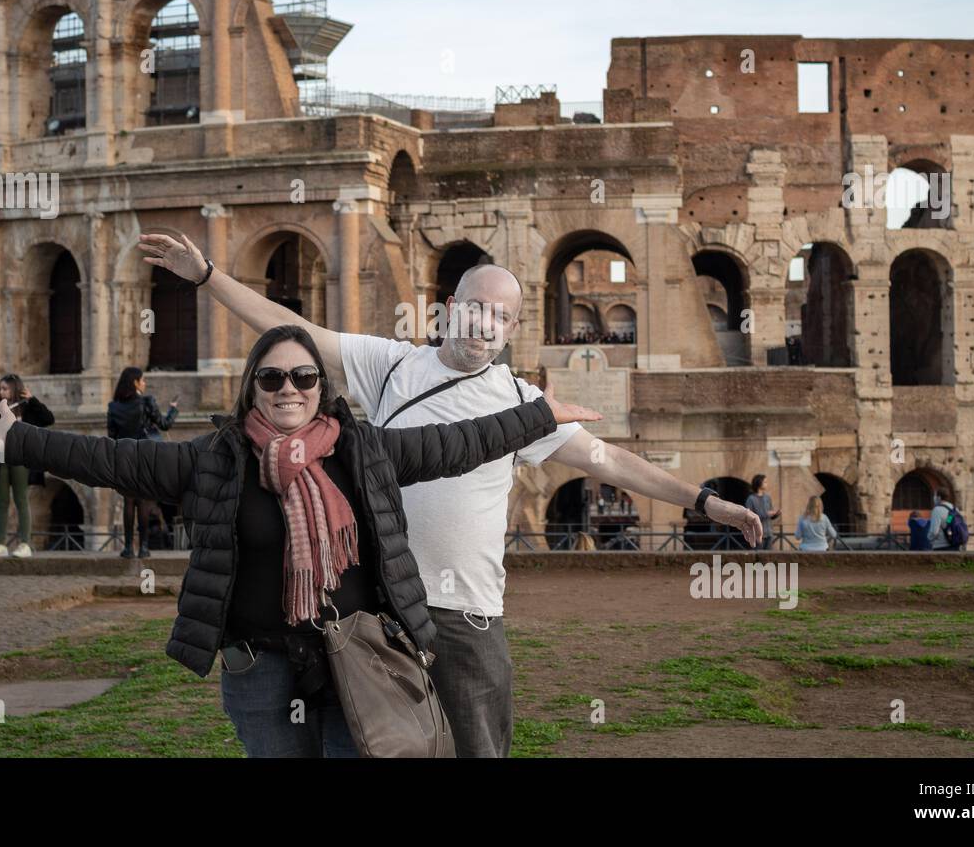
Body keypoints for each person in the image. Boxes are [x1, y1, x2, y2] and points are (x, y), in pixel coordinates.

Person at [138, 231, 763, 758]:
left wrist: (706, 501)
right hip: (379, 610)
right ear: (449, 309)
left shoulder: (520, 402)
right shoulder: (392, 366)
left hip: (466, 616)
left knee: (476, 748)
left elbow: (609, 459)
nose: (484, 323)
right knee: (377, 745)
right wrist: (209, 276)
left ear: (513, 326)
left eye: (501, 315)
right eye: (475, 307)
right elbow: (293, 330)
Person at [0, 324, 599, 758]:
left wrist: (540, 415)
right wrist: (17, 438)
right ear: (252, 388)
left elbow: (457, 443)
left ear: (322, 388)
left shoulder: (362, 450)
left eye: (303, 378)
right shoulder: (214, 458)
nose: (289, 388)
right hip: (259, 664)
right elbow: (113, 460)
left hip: (358, 651)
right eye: (272, 378)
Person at [0, 374, 55, 558]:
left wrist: (33, 400)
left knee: (21, 499)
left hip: (20, 457)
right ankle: (1, 544)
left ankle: (25, 544)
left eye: (5, 388)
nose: (1, 392)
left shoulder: (25, 408)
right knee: (1, 502)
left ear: (14, 389)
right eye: (0, 388)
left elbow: (48, 419)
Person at [107, 367, 179, 558]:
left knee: (129, 502)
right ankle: (144, 547)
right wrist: (173, 409)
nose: (145, 383)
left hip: (124, 456)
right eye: (143, 380)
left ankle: (129, 547)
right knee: (145, 502)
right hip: (146, 455)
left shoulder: (113, 407)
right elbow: (164, 424)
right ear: (135, 383)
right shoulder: (147, 402)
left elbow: (111, 436)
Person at [745, 474, 781, 551]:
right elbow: (748, 517)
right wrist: (766, 514)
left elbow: (770, 516)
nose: (766, 484)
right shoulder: (751, 499)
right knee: (758, 558)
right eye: (765, 482)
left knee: (768, 559)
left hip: (769, 533)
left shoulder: (767, 497)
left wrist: (776, 514)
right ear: (759, 483)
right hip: (757, 533)